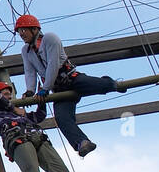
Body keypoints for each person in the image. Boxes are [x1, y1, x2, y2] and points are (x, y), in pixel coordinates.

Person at [15, 13, 126, 158]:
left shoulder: (49, 39)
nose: (21, 34)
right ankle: (82, 142)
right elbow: (30, 72)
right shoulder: (26, 51)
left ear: (34, 29)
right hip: (59, 89)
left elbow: (53, 65)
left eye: (24, 30)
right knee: (62, 118)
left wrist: (45, 88)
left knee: (98, 85)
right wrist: (30, 90)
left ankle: (113, 84)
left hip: (71, 79)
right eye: (19, 32)